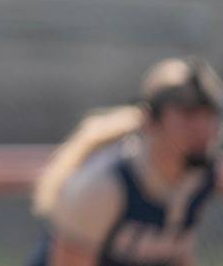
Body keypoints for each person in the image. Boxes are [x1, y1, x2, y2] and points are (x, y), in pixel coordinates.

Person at [28, 57, 222, 266]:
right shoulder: (103, 186)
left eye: (209, 115)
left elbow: (176, 250)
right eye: (188, 116)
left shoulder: (199, 174)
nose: (203, 128)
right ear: (150, 121)